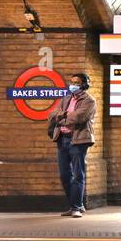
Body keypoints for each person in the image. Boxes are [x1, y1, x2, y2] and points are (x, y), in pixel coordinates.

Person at [48, 72, 96, 218]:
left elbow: (78, 118)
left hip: (78, 140)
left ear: (84, 85)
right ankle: (75, 204)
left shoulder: (89, 101)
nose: (73, 85)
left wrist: (61, 118)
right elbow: (52, 115)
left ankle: (76, 207)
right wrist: (61, 116)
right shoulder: (66, 99)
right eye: (72, 82)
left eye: (77, 82)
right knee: (64, 175)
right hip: (62, 139)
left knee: (77, 175)